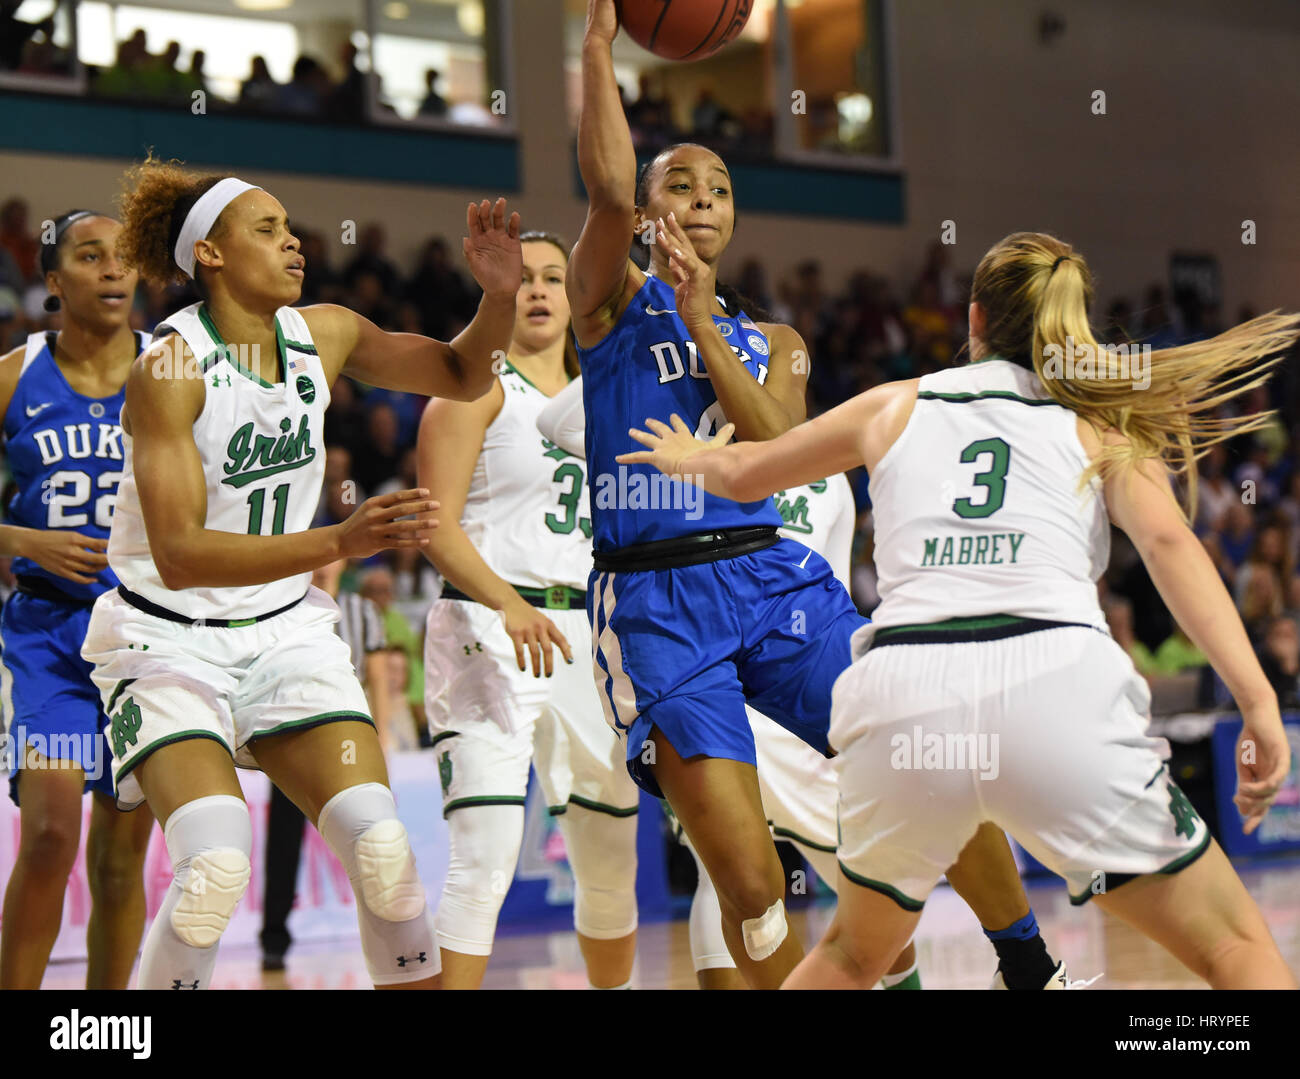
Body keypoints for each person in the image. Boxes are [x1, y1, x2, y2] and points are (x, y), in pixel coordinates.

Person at [620, 231, 1299, 989]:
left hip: (907, 701)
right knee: (1236, 948)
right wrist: (1259, 697)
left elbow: (747, 473)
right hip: (1053, 691)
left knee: (849, 955)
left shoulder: (894, 404)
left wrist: (689, 460)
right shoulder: (1097, 426)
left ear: (973, 318)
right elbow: (1172, 545)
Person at [565, 0, 1065, 990]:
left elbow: (774, 444)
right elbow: (608, 191)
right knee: (751, 888)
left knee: (923, 753)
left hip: (769, 579)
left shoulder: (776, 340)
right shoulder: (607, 300)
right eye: (679, 185)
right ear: (651, 211)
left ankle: (1030, 969)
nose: (700, 198)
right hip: (656, 601)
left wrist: (705, 324)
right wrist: (593, 46)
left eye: (717, 186)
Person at [78, 155, 521, 990]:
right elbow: (178, 553)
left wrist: (495, 300)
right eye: (268, 230)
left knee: (384, 851)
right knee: (212, 872)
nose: (296, 244)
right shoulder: (168, 369)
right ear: (209, 252)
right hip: (167, 640)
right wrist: (338, 541)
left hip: (284, 631)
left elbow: (462, 374)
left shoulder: (326, 333)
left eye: (291, 230)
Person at [419, 231, 639, 990]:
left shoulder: (610, 400)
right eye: (526, 278)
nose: (540, 290)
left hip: (592, 635)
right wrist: (507, 602)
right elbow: (433, 526)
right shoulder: (470, 387)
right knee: (485, 855)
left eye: (555, 277)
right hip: (488, 624)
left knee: (608, 858)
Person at [0, 210, 156, 988]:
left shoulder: (177, 368)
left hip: (146, 637)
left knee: (124, 856)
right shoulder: (14, 373)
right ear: (55, 283)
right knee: (53, 834)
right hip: (51, 637)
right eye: (90, 257)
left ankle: (102, 1027)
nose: (111, 269)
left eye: (123, 257)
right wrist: (22, 541)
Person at [260, 556, 389, 972]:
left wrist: (380, 736)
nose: (321, 565)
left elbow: (379, 680)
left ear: (344, 561)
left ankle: (387, 933)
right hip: (291, 735)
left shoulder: (361, 612)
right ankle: (273, 938)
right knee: (283, 845)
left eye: (330, 558)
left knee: (372, 840)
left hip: (347, 737)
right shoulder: (281, 606)